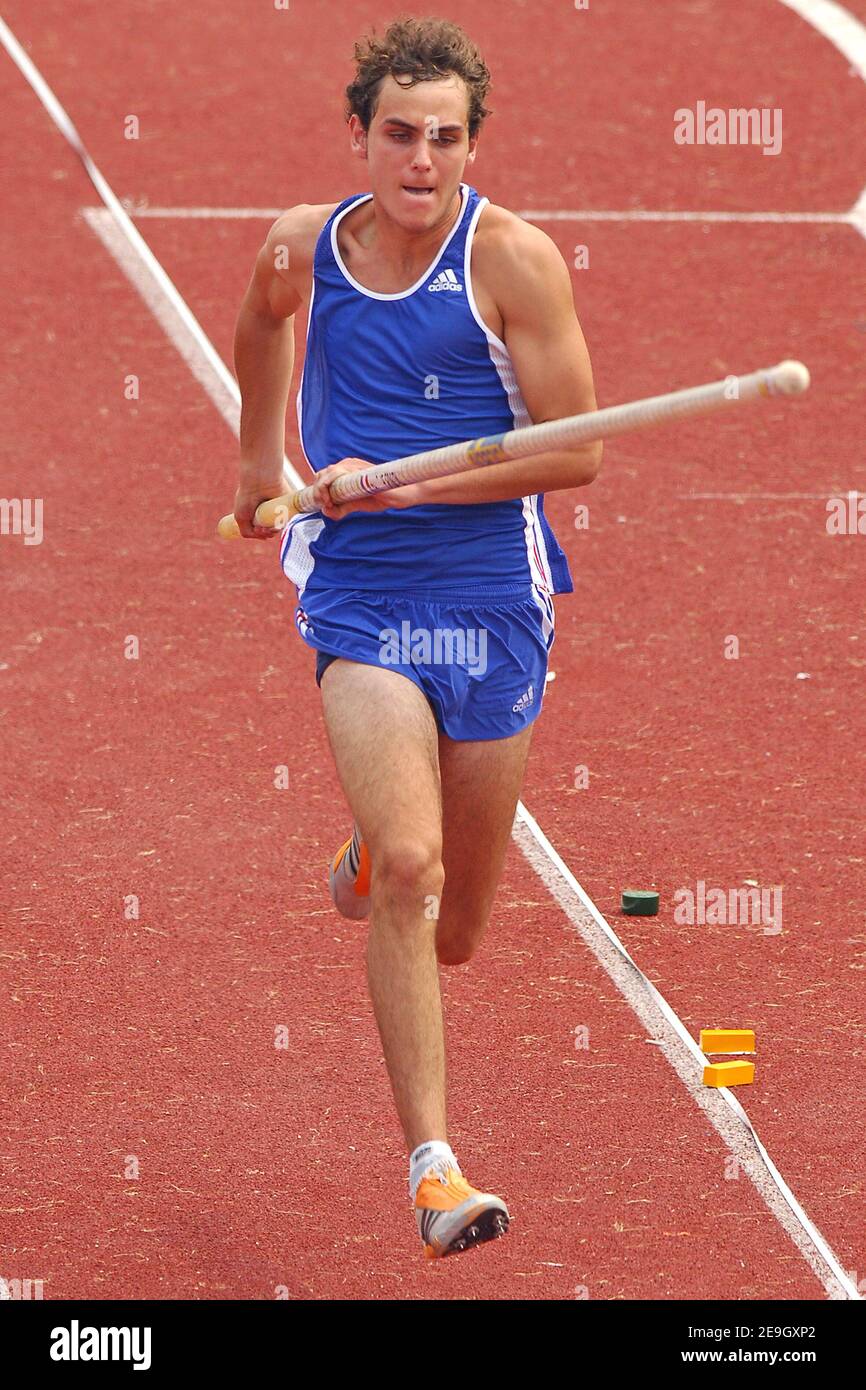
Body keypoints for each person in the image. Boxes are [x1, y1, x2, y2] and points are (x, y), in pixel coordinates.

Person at [232, 15, 601, 1260]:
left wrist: (401, 480)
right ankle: (435, 1172)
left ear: (469, 147)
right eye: (399, 131)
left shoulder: (515, 262)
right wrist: (258, 465)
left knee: (455, 930)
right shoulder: (304, 245)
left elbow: (578, 451)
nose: (421, 157)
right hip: (364, 595)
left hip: (493, 603)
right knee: (409, 866)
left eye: (445, 137)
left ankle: (371, 842)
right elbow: (262, 322)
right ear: (359, 133)